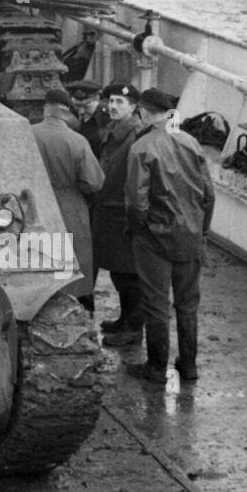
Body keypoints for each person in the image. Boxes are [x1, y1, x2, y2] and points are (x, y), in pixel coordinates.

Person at [124, 88, 216, 385]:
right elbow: (209, 194)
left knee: (156, 303)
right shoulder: (191, 142)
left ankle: (156, 367)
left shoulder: (141, 148)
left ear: (144, 113)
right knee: (188, 303)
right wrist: (201, 230)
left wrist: (140, 230)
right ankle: (188, 366)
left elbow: (136, 202)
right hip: (190, 235)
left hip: (155, 239)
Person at [31, 86, 104, 311]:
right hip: (69, 205)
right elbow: (94, 181)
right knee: (72, 264)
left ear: (46, 109)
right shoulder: (77, 140)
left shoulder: (26, 133)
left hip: (33, 205)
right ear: (66, 112)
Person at [93, 82, 145, 344]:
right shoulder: (114, 129)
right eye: (111, 101)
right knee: (118, 270)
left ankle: (134, 329)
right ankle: (125, 319)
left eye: (119, 103)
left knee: (129, 272)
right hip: (110, 209)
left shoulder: (135, 134)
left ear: (134, 107)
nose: (112, 106)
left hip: (123, 210)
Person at [67, 80, 109, 158]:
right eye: (77, 106)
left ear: (97, 100)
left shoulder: (106, 119)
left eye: (87, 107)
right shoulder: (70, 115)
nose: (81, 111)